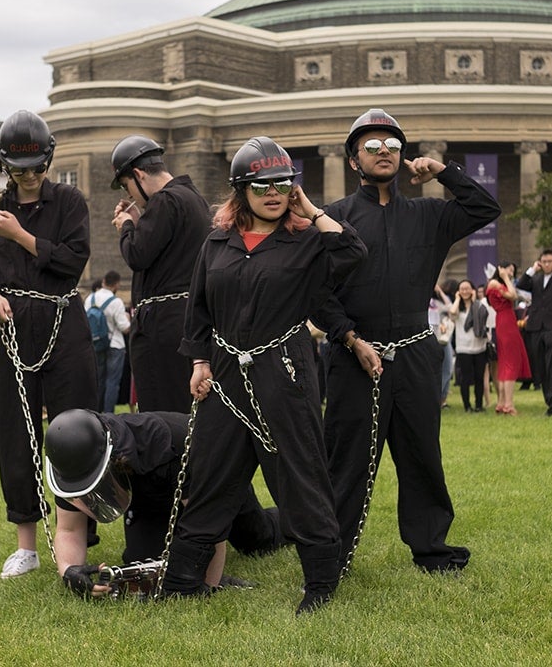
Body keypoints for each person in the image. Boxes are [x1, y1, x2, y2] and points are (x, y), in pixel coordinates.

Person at [161, 136, 366, 616]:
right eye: (262, 185)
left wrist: (311, 208)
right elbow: (199, 309)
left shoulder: (306, 243)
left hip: (285, 372)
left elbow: (352, 251)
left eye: (283, 184)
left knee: (300, 473)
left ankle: (320, 581)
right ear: (241, 190)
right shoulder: (216, 243)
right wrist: (199, 361)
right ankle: (182, 579)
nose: (274, 193)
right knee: (210, 471)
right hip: (226, 373)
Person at [316, 108, 500, 576]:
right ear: (354, 160)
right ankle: (332, 556)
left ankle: (432, 550)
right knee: (349, 461)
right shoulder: (334, 218)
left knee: (422, 455)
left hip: (417, 351)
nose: (384, 153)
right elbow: (315, 294)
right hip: (354, 354)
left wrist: (444, 172)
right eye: (373, 147)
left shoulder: (428, 214)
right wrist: (350, 338)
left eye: (393, 147)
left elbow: (485, 208)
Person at [0, 109, 98, 579]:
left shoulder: (70, 202)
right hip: (13, 327)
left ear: (50, 161)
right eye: (19, 170)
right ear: (4, 165)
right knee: (15, 434)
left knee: (75, 430)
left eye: (37, 168)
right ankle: (26, 544)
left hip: (63, 322)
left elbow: (72, 261)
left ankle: (76, 536)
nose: (29, 177)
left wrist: (20, 236)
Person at [45, 408, 284, 598]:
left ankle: (288, 522)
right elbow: (68, 529)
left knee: (255, 539)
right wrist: (71, 572)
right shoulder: (71, 465)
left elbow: (210, 524)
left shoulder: (170, 443)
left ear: (113, 458)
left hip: (208, 479)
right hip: (149, 499)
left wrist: (207, 583)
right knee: (143, 564)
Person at [110, 134, 212, 413]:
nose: (128, 195)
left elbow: (137, 254)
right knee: (185, 410)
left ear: (139, 175)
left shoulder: (165, 200)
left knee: (161, 415)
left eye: (126, 186)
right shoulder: (193, 198)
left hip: (163, 326)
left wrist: (128, 226)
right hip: (186, 319)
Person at [515, 249, 552, 415]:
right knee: (541, 365)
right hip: (535, 327)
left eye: (550, 261)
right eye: (544, 261)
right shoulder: (536, 278)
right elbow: (520, 285)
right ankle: (550, 401)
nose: (547, 264)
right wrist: (532, 269)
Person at [485, 262, 531, 415]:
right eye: (509, 269)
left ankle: (502, 403)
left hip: (506, 320)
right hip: (505, 321)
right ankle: (508, 405)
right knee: (510, 362)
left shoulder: (498, 284)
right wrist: (505, 278)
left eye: (513, 270)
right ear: (500, 269)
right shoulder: (495, 283)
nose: (511, 272)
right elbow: (513, 295)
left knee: (506, 363)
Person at [83, 270, 130, 413]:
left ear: (103, 281)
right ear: (116, 284)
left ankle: (96, 412)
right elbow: (124, 328)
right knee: (112, 382)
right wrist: (129, 320)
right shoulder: (116, 302)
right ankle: (109, 414)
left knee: (99, 381)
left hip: (96, 344)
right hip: (115, 345)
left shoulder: (90, 299)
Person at [450, 279, 489, 413]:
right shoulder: (457, 307)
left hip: (479, 347)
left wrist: (474, 300)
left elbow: (485, 315)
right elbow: (452, 313)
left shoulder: (478, 305)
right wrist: (456, 299)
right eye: (462, 289)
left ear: (472, 290)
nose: (465, 291)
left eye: (467, 288)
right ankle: (467, 406)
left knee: (479, 377)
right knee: (465, 379)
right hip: (463, 348)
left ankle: (479, 405)